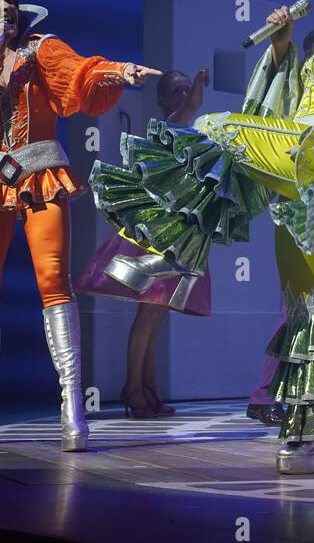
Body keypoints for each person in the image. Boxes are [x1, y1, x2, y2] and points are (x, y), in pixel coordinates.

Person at [91, 0, 314, 474]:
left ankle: (171, 239)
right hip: (300, 167)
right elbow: (289, 100)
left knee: (216, 125)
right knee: (306, 299)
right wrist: (281, 46)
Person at [0, 0, 158, 452]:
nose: (4, 8)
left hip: (41, 173)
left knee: (53, 279)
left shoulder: (39, 48)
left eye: (8, 2)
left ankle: (71, 404)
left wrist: (117, 72)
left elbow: (79, 73)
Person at [77, 69, 242, 420]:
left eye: (186, 90)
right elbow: (184, 113)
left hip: (177, 234)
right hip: (160, 234)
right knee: (149, 312)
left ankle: (146, 386)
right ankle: (134, 388)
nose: (183, 96)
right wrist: (195, 94)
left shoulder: (188, 130)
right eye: (176, 91)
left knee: (156, 314)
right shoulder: (171, 123)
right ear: (164, 100)